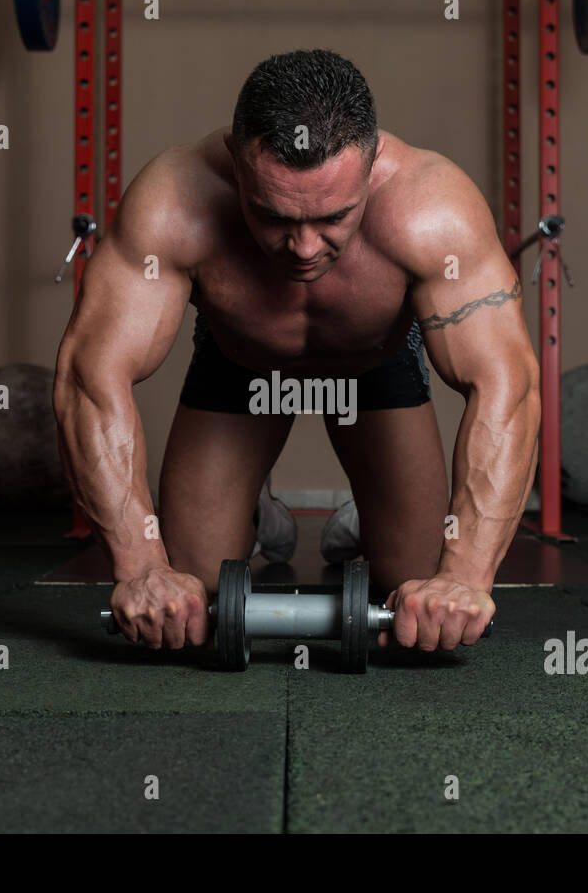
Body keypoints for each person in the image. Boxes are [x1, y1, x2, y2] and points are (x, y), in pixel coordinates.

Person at [54, 49, 540, 655]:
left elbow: (507, 384)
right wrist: (139, 564)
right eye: (273, 216)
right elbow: (89, 375)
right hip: (240, 366)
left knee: (415, 586)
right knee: (192, 592)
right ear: (236, 161)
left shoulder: (432, 210)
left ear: (372, 163)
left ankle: (362, 518)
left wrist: (465, 577)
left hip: (374, 367)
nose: (305, 247)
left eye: (335, 217)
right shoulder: (174, 202)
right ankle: (262, 516)